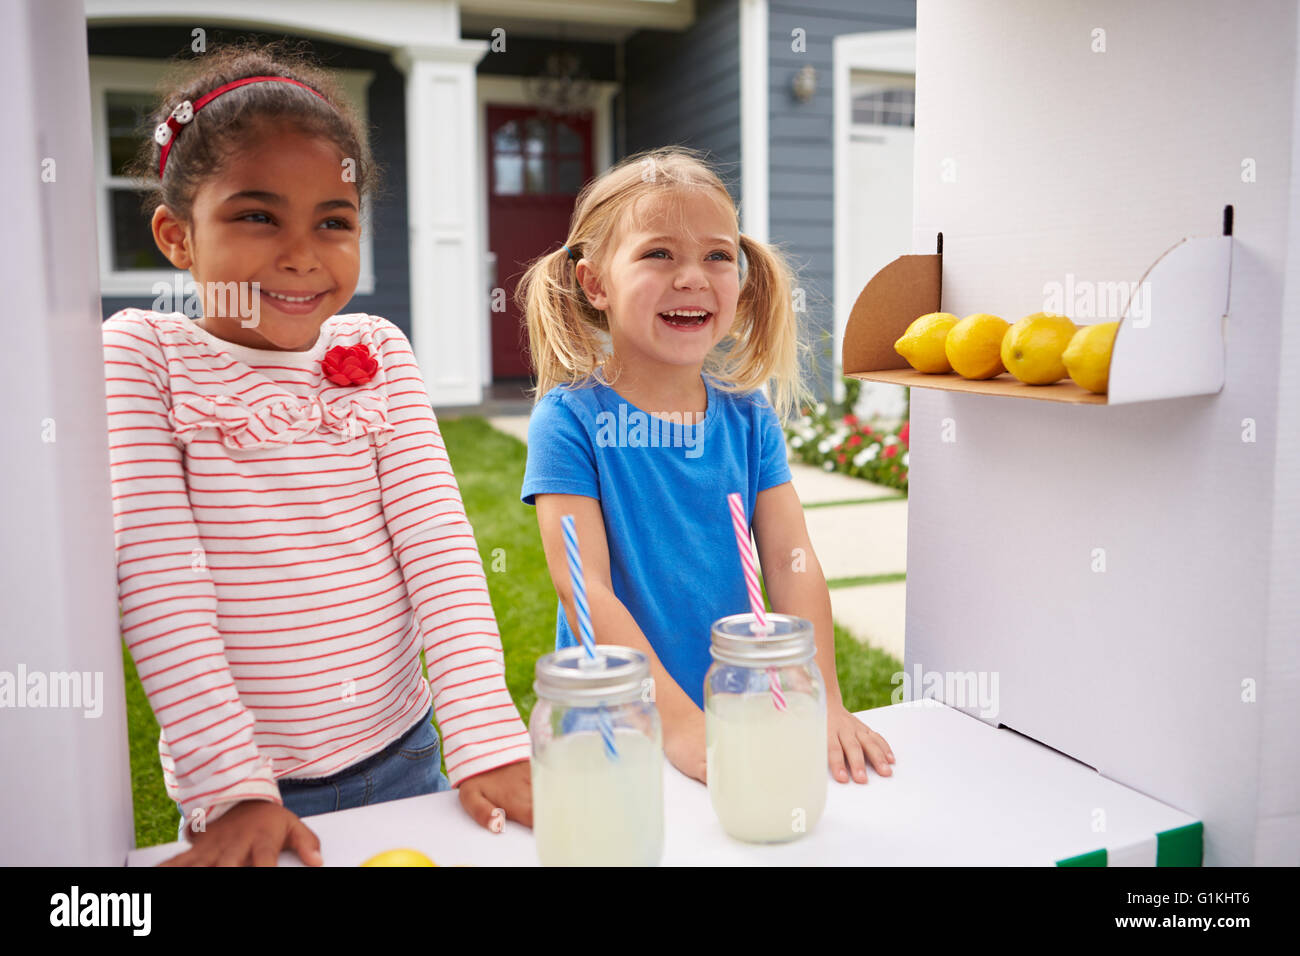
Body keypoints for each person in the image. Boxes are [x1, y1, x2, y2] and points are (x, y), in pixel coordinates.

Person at [102, 42, 531, 867]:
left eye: (333, 221)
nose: (302, 253)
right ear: (176, 236)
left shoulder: (377, 347)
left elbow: (437, 547)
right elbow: (157, 574)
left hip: (404, 750)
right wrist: (233, 788)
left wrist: (484, 738)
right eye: (257, 216)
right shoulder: (146, 354)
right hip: (252, 789)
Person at [519, 147, 896, 787]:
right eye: (658, 253)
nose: (692, 276)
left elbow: (790, 562)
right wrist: (683, 725)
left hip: (742, 709)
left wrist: (824, 698)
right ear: (594, 283)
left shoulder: (749, 422)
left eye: (717, 256)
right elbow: (587, 594)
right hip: (619, 720)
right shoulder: (570, 422)